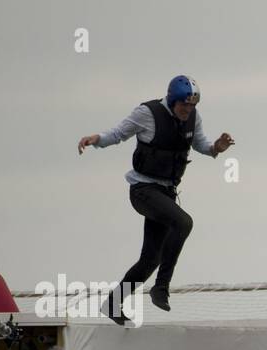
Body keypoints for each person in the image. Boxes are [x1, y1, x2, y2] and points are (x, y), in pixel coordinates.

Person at [78, 75, 233, 324]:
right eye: (184, 105)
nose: (188, 110)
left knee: (151, 258)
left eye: (192, 106)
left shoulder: (194, 117)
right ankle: (161, 287)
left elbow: (202, 145)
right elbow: (118, 134)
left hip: (165, 193)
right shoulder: (147, 113)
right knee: (183, 223)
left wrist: (217, 147)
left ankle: (113, 303)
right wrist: (95, 139)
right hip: (142, 190)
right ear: (172, 100)